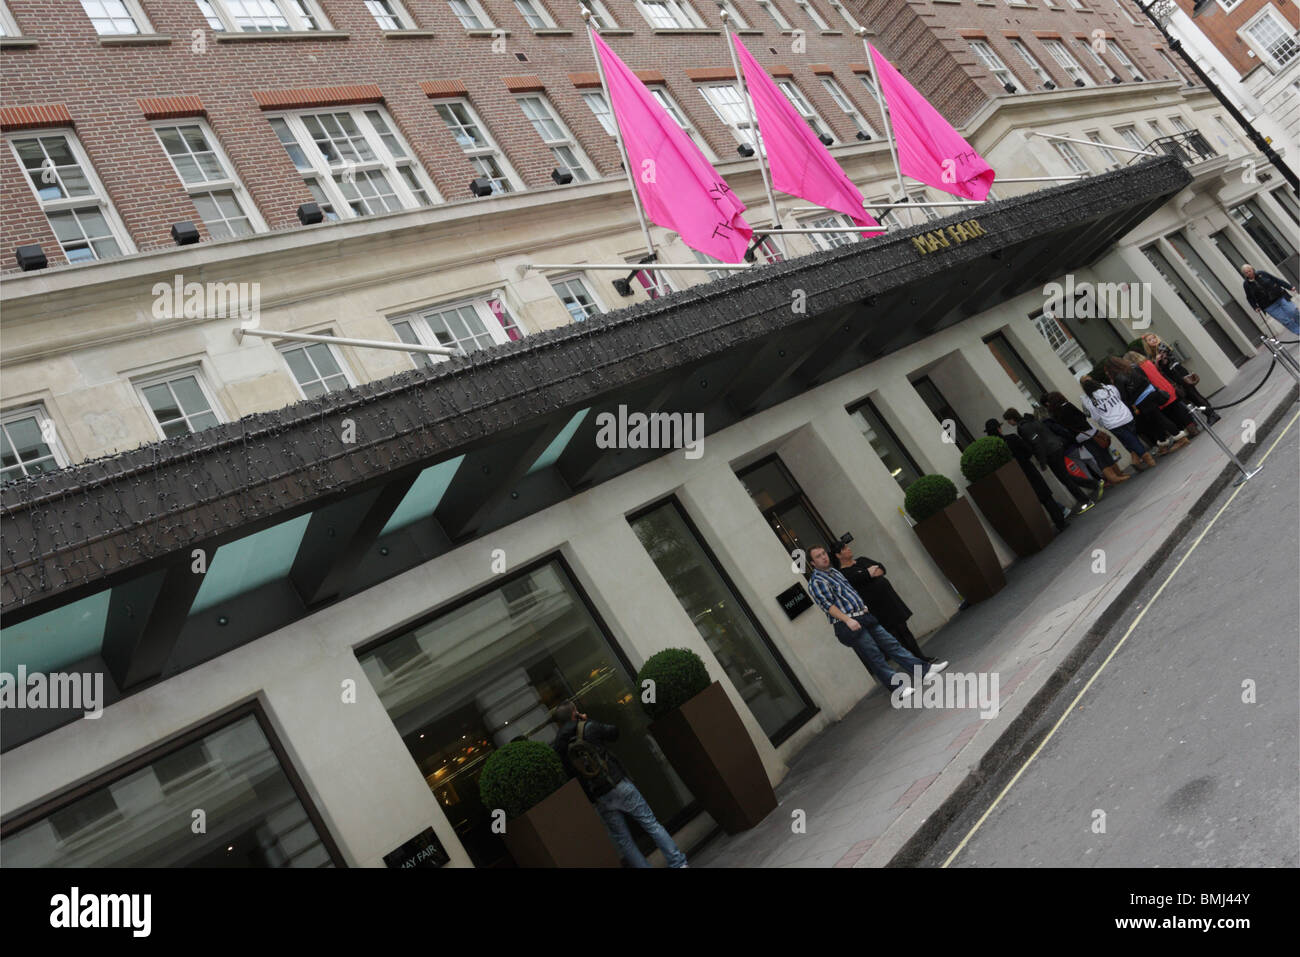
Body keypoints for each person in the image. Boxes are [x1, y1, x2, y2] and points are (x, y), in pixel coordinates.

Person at [551, 702, 687, 868]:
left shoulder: (558, 747)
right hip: (617, 783)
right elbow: (614, 732)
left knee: (624, 842)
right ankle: (678, 864)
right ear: (575, 714)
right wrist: (586, 721)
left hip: (599, 796)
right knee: (650, 824)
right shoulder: (589, 727)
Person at [806, 545, 946, 697]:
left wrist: (862, 606)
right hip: (849, 623)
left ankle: (924, 670)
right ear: (813, 563)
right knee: (875, 656)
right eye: (818, 556)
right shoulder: (817, 581)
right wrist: (847, 620)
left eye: (823, 554)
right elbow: (828, 606)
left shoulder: (834, 572)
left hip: (863, 616)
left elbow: (849, 591)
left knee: (892, 645)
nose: (824, 557)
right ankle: (898, 688)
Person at [831, 541, 935, 663]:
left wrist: (868, 574)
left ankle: (921, 658)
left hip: (890, 600)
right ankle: (914, 664)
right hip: (877, 607)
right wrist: (869, 572)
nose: (849, 549)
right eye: (844, 548)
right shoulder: (843, 573)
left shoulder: (862, 560)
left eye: (847, 546)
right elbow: (859, 578)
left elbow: (881, 568)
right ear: (838, 555)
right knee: (895, 636)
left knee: (904, 629)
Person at [1003, 408, 1098, 513]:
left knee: (1065, 479)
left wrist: (1042, 461)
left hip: (1050, 453)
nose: (1008, 423)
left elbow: (1037, 443)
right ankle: (1093, 484)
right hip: (1056, 447)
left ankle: (1086, 500)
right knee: (1065, 476)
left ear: (1012, 419)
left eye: (1008, 420)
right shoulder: (1030, 420)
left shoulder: (1024, 427)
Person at [984, 418, 1070, 530]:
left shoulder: (992, 450)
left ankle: (1043, 528)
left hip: (1013, 479)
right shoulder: (1012, 439)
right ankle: (1060, 522)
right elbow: (1028, 451)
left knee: (1030, 503)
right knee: (1046, 497)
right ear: (998, 429)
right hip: (1028, 470)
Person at [1103, 356, 1188, 455]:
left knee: (1160, 419)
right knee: (1156, 421)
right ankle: (1163, 444)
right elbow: (1145, 378)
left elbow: (1124, 397)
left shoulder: (1118, 378)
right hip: (1152, 392)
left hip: (1142, 401)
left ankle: (1180, 438)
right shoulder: (1133, 367)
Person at [1043, 391, 1129, 486]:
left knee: (1098, 456)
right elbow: (1082, 416)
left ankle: (1113, 478)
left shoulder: (1055, 414)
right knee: (1104, 453)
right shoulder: (1067, 405)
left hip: (1080, 437)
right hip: (1089, 432)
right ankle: (1117, 475)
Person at [1079, 376, 1156, 472]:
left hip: (1113, 424)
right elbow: (1118, 397)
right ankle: (1136, 460)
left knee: (1130, 441)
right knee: (1132, 439)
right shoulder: (1109, 388)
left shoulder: (1089, 401)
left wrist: (1104, 424)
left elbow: (1095, 417)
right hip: (1126, 417)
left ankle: (1147, 459)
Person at [1142, 333, 1219, 425]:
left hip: (1177, 372)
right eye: (1150, 340)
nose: (1153, 340)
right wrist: (1157, 361)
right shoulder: (1154, 353)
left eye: (1153, 338)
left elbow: (1164, 362)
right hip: (1173, 375)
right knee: (1188, 396)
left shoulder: (1161, 346)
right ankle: (1209, 413)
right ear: (1147, 344)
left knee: (1193, 394)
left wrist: (1157, 361)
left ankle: (1211, 414)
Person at [1124, 350, 1199, 437]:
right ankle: (1193, 427)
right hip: (1167, 386)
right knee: (1179, 408)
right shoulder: (1148, 362)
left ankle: (1185, 431)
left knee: (1171, 413)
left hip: (1159, 392)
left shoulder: (1137, 370)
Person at [1241, 263, 1300, 335]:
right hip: (1268, 306)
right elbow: (1249, 297)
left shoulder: (1262, 273)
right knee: (1285, 321)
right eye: (1246, 273)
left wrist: (1289, 287)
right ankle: (1298, 332)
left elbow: (1276, 280)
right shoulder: (1246, 284)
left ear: (1252, 269)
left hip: (1279, 297)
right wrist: (1255, 307)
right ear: (1244, 274)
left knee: (1293, 311)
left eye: (1249, 271)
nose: (1248, 273)